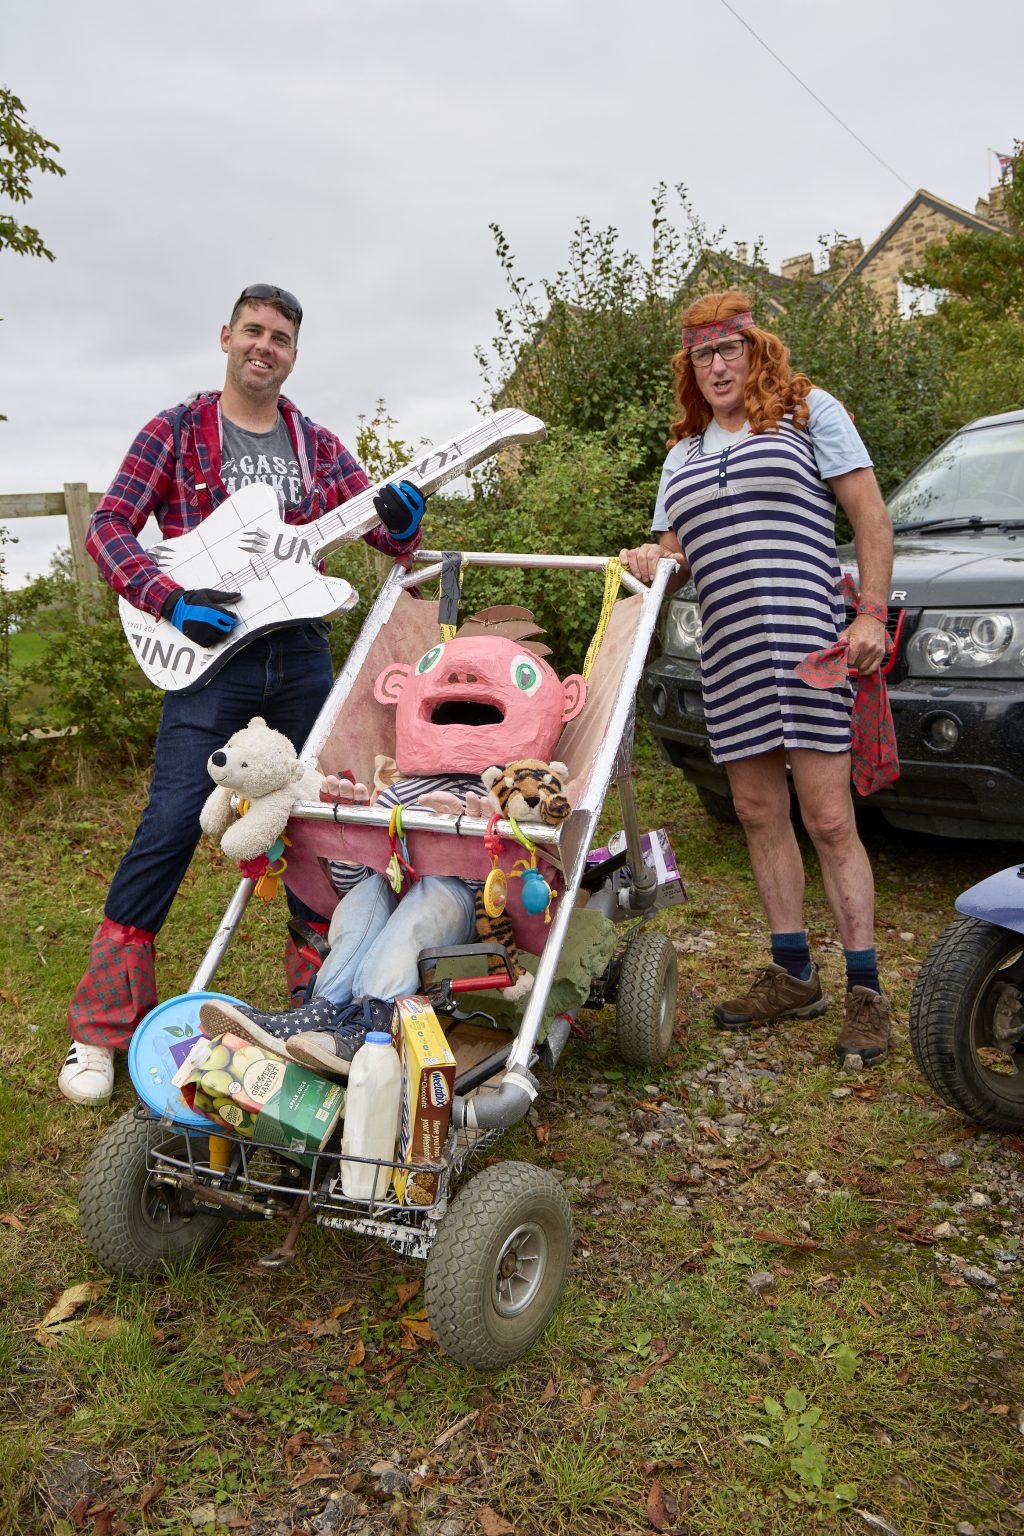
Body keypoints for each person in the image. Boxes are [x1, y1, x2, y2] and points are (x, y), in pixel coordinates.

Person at [59, 283, 425, 1106]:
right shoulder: (178, 430)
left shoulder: (319, 447)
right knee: (169, 823)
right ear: (226, 337)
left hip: (298, 659)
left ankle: (318, 1007)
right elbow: (108, 525)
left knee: (321, 821)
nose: (265, 347)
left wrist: (401, 521)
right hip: (209, 662)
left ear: (295, 353)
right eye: (253, 331)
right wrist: (164, 599)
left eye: (282, 338)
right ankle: (101, 1029)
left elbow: (392, 542)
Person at [620, 289, 894, 1065]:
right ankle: (792, 972)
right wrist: (652, 561)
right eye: (701, 355)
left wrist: (870, 613)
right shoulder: (683, 455)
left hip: (811, 645)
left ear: (755, 348)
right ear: (690, 366)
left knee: (830, 819)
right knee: (755, 810)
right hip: (731, 654)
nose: (715, 366)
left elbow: (871, 515)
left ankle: (866, 991)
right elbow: (672, 562)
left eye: (727, 349)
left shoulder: (809, 412)